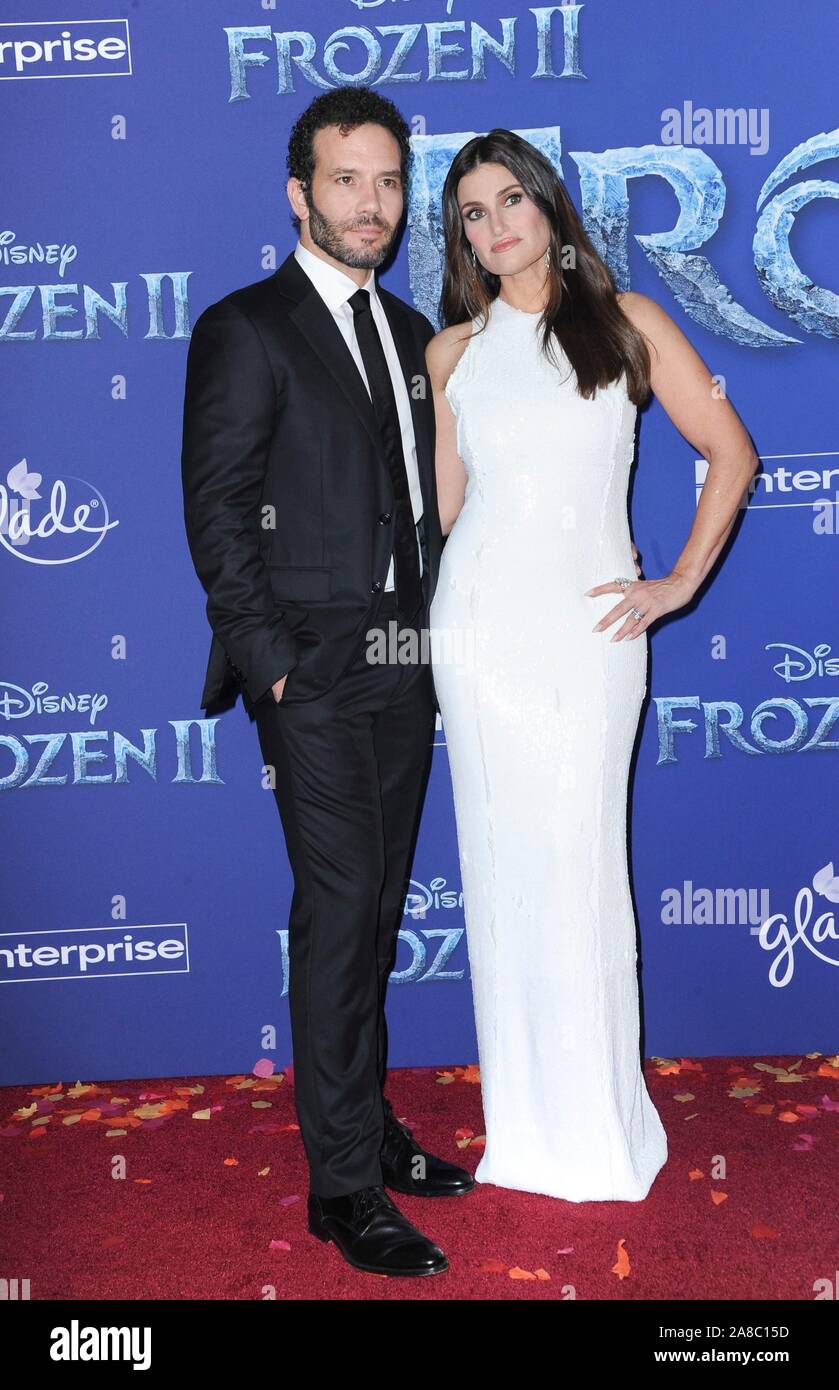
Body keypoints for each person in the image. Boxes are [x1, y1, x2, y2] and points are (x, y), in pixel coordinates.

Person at [426, 129, 758, 1200]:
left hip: (586, 636)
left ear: (550, 206)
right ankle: (521, 1128)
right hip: (478, 632)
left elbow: (732, 452)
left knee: (577, 871)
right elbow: (451, 513)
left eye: (510, 198)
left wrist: (677, 584)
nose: (495, 225)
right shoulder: (450, 355)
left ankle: (598, 1128)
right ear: (461, 238)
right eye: (471, 213)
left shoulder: (628, 324)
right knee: (499, 873)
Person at [181, 86, 474, 1279]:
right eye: (347, 179)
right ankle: (342, 1185)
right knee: (342, 911)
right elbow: (216, 509)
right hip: (310, 671)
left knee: (376, 912)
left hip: (406, 658)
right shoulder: (245, 326)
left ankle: (369, 1128)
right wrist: (275, 669)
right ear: (299, 193)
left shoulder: (415, 336)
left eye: (389, 181)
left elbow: (431, 509)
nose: (372, 203)